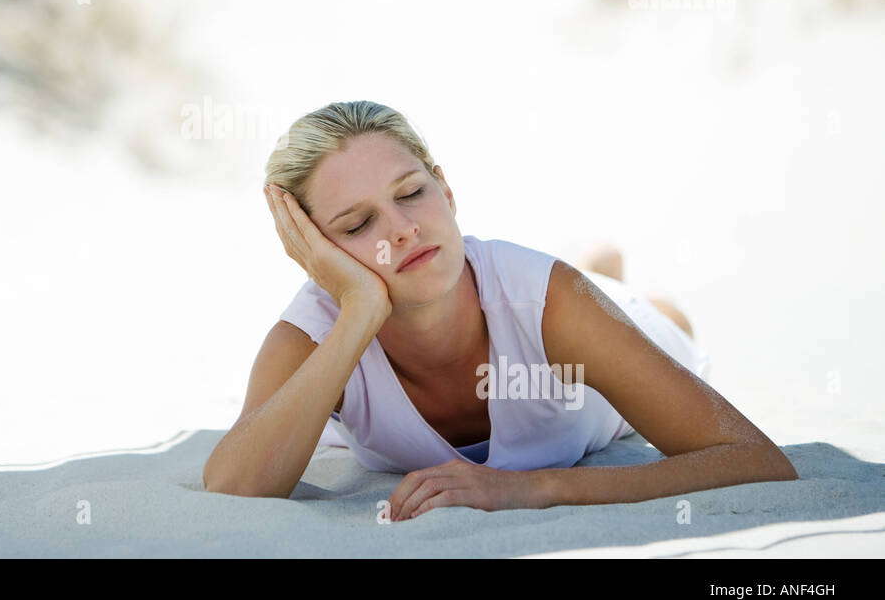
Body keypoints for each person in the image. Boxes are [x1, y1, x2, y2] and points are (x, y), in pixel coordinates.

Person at [202, 100, 797, 517]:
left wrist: (529, 489)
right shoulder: (313, 331)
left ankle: (610, 276)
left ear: (448, 190)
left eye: (412, 192)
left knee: (662, 316)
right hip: (529, 292)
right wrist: (359, 310)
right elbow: (237, 486)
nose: (405, 229)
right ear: (316, 252)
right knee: (574, 275)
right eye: (358, 224)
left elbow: (755, 459)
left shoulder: (548, 301)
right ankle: (600, 263)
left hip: (597, 323)